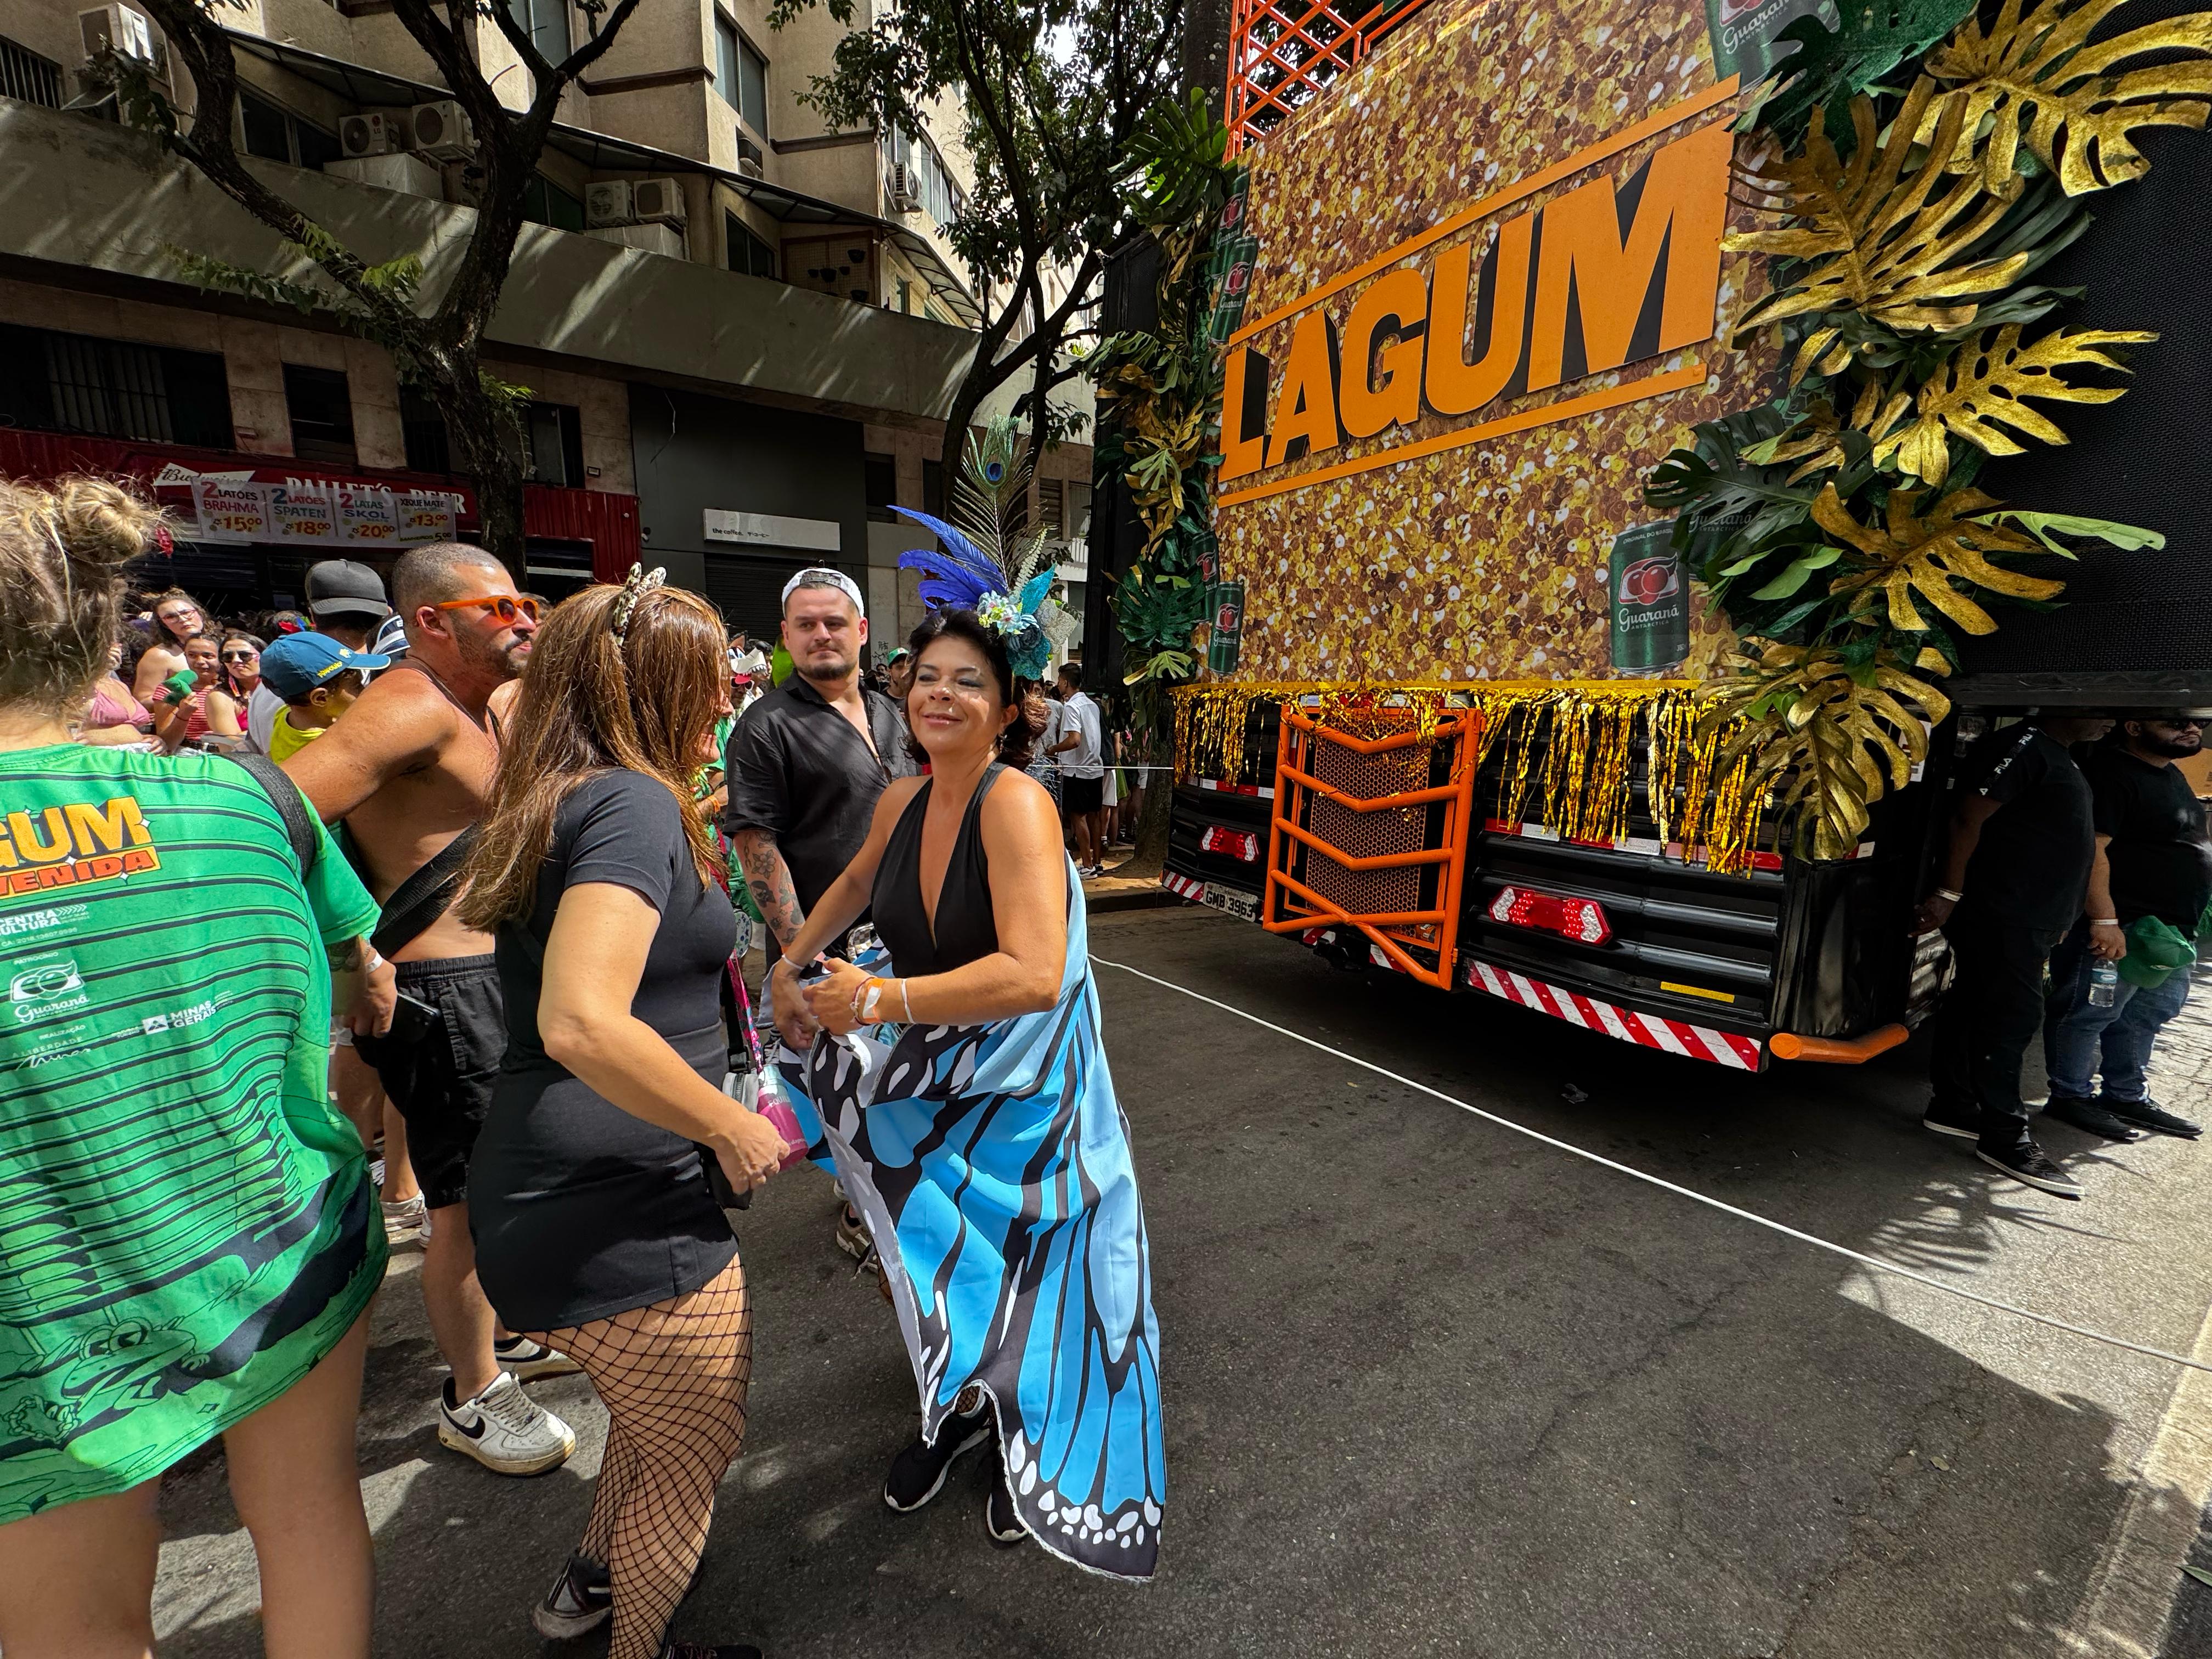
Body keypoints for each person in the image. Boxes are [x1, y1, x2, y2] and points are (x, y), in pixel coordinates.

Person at [0, 476, 393, 1659]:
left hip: (43, 1321)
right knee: (312, 1515)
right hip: (282, 1246)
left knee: (79, 1624)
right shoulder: (240, 795)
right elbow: (363, 977)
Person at [771, 607, 1165, 1578]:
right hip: (936, 1087)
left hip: (1030, 1101)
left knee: (1034, 1282)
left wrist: (876, 997)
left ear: (1007, 711)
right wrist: (790, 959)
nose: (940, 693)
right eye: (928, 676)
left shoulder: (1016, 804)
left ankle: (1026, 1441)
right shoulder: (902, 800)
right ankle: (951, 1411)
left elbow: (1035, 972)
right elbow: (857, 882)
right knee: (941, 1270)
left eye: (969, 681)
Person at [460, 571, 791, 1659]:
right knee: (696, 1447)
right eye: (708, 682)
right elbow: (583, 1020)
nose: (723, 704)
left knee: (651, 1436)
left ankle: (593, 1581)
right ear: (650, 686)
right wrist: (730, 1127)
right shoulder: (628, 802)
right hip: (618, 1200)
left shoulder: (564, 792)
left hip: (552, 1184)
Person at [284, 541, 581, 1474]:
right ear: (430, 622)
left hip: (499, 982)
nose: (522, 619)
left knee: (506, 1184)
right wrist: (353, 948)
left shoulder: (481, 702)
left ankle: (507, 1331)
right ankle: (471, 1391)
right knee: (460, 1202)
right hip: (443, 993)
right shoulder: (407, 702)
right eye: (497, 606)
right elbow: (279, 811)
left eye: (526, 601)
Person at [723, 567, 914, 1258]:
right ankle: (865, 1215)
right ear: (785, 636)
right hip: (833, 947)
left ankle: (885, 1193)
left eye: (834, 621)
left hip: (908, 939)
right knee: (851, 1087)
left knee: (900, 1083)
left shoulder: (895, 712)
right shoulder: (766, 725)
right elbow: (756, 845)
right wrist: (801, 959)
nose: (821, 634)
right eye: (805, 624)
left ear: (862, 630)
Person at [1918, 711, 2117, 1198]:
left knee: (1973, 1001)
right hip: (2003, 912)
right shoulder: (2024, 745)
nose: (2109, 721)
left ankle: (1954, 1105)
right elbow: (1968, 816)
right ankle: (2005, 1137)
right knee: (2013, 1017)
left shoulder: (2058, 755)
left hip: (2028, 918)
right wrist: (1949, 892)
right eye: (2104, 710)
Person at [2042, 710, 2211, 1141]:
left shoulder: (2170, 773)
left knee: (2147, 1014)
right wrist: (2104, 920)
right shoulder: (2113, 774)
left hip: (2168, 932)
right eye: (2176, 722)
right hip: (2124, 925)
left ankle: (2125, 1095)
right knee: (2089, 1012)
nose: (2191, 729)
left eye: (2197, 722)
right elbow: (2092, 850)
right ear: (2134, 727)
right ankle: (2070, 1096)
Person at [246, 561, 397, 757]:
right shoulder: (386, 680)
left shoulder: (276, 686)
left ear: (311, 614)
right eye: (357, 687)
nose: (359, 688)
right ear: (387, 614)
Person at [259, 632, 387, 765]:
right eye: (357, 686)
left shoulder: (284, 714)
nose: (364, 690)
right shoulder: (331, 746)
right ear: (320, 698)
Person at [1049, 661, 1107, 878]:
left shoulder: (1072, 706)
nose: (1058, 684)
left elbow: (1074, 740)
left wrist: (1054, 749)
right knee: (1094, 816)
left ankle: (1087, 864)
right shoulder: (1093, 705)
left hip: (1077, 769)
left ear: (1065, 682)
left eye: (1059, 681)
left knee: (1078, 817)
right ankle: (1097, 862)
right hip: (1094, 767)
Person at [149, 633, 244, 749]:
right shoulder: (172, 689)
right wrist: (184, 714)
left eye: (208, 656)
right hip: (192, 754)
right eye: (192, 655)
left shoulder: (236, 688)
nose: (200, 661)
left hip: (236, 751)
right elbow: (167, 741)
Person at [128, 585, 207, 703]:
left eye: (186, 612)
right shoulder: (159, 655)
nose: (182, 619)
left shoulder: (221, 647)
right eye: (171, 617)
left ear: (199, 613)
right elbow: (143, 700)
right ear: (164, 625)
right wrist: (177, 699)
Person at [76, 640, 154, 746]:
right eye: (106, 645)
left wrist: (152, 740)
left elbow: (130, 731)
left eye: (115, 643)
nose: (115, 649)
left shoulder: (121, 686)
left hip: (136, 756)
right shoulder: (78, 687)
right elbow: (73, 733)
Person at [221, 629, 265, 703]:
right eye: (228, 656)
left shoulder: (280, 691)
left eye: (245, 655)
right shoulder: (221, 696)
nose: (235, 660)